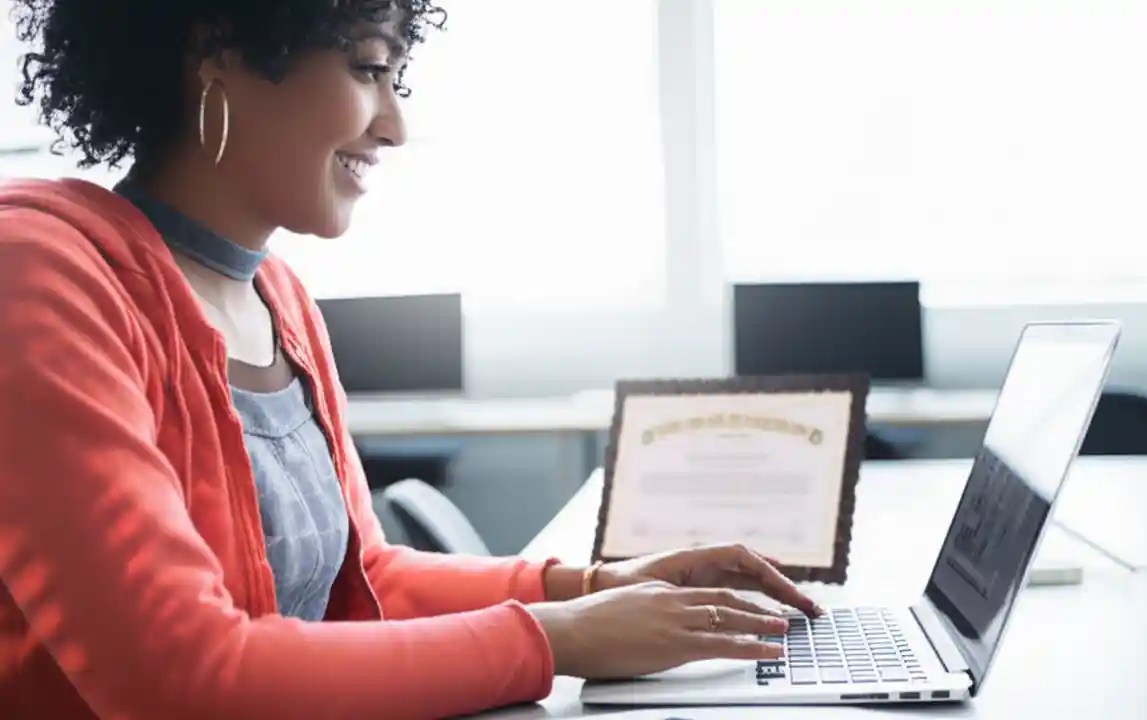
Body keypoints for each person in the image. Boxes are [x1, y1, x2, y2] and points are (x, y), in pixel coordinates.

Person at [0, 2, 820, 719]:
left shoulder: (278, 298)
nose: (393, 124)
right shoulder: (39, 271)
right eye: (367, 68)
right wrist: (558, 638)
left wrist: (598, 587)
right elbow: (178, 676)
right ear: (219, 48)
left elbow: (366, 584)